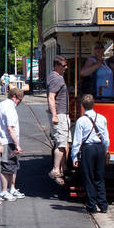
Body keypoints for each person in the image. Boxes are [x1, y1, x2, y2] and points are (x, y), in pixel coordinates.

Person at [71, 94, 110, 214]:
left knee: (89, 178)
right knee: (100, 178)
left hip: (88, 149)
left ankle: (92, 206)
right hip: (99, 148)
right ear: (94, 105)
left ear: (82, 106)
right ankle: (103, 205)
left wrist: (74, 156)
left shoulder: (81, 121)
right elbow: (106, 138)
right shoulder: (102, 118)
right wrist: (106, 150)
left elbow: (77, 141)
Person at [46, 55, 70, 184]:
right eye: (64, 65)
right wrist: (55, 115)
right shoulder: (56, 78)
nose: (66, 68)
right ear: (57, 65)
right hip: (59, 114)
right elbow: (51, 97)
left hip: (62, 113)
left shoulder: (56, 77)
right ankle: (55, 170)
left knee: (65, 141)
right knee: (61, 142)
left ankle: (63, 168)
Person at [0, 86, 24, 199]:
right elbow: (10, 128)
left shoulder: (2, 104)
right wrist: (17, 144)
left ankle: (11, 189)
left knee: (12, 166)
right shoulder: (10, 108)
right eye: (19, 100)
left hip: (3, 140)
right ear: (14, 97)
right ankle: (4, 191)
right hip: (7, 141)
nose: (19, 102)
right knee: (6, 167)